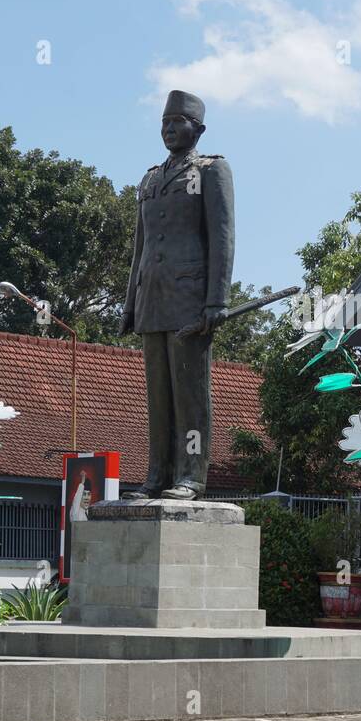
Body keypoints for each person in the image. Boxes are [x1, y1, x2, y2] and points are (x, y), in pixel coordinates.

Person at [118, 90, 234, 500]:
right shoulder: (150, 178)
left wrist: (216, 300)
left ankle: (191, 476)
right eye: (164, 122)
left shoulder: (211, 171)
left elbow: (221, 238)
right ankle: (157, 475)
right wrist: (130, 302)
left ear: (197, 129)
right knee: (159, 397)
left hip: (190, 298)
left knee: (190, 396)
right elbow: (140, 246)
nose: (168, 129)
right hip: (152, 297)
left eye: (177, 122)